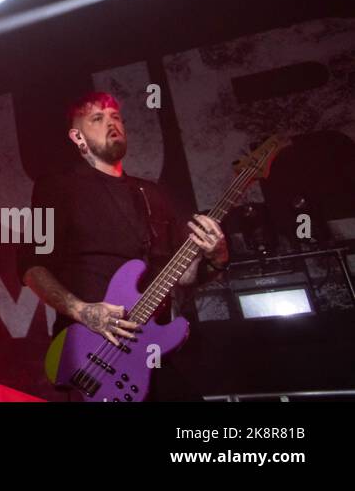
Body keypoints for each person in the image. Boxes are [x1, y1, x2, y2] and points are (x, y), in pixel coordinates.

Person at [18, 92, 229, 400]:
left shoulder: (151, 194)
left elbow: (181, 277)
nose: (111, 123)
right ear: (77, 136)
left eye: (116, 116)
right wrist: (83, 311)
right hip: (93, 352)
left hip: (154, 348)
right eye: (97, 118)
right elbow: (31, 267)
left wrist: (216, 258)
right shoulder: (58, 187)